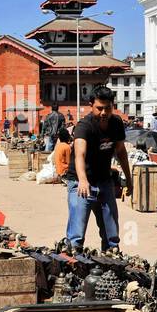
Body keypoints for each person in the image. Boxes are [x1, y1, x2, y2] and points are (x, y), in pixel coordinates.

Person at [64, 86, 133, 250]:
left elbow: (121, 152)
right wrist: (82, 180)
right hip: (80, 182)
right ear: (91, 106)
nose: (103, 113)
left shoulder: (116, 123)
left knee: (111, 233)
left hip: (104, 180)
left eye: (107, 108)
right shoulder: (84, 126)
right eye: (99, 108)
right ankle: (73, 260)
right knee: (77, 234)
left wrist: (129, 180)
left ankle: (111, 259)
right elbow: (79, 154)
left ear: (112, 106)